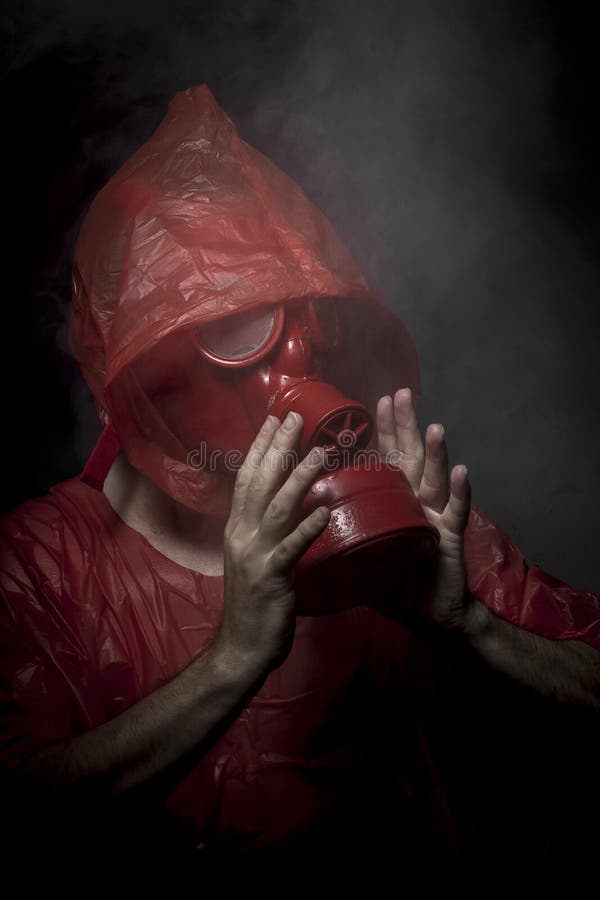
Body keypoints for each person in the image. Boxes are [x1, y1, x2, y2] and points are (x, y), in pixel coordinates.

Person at [0, 84, 598, 869]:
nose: (296, 364)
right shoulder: (46, 563)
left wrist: (468, 626)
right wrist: (233, 659)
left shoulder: (400, 508)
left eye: (312, 323)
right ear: (138, 370)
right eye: (239, 329)